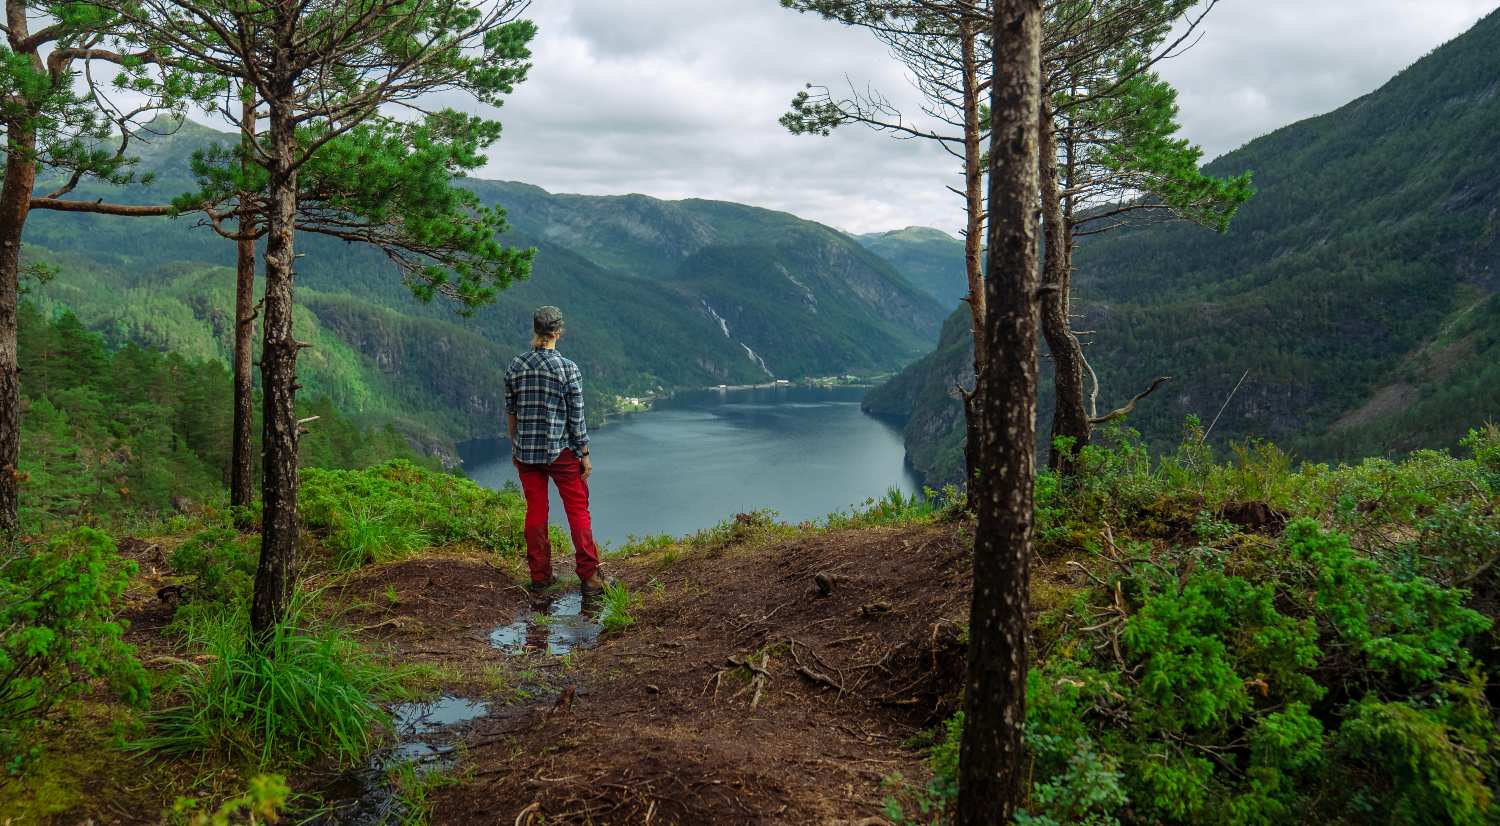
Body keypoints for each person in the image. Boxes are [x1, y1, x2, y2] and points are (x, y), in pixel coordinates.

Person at [504, 306, 607, 595]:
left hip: (527, 452)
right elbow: (576, 417)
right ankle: (589, 577)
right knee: (577, 510)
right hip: (561, 452)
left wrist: (516, 445)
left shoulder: (516, 366)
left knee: (535, 511)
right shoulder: (567, 368)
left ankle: (540, 576)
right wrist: (583, 453)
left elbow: (511, 412)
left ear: (536, 331)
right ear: (558, 332)